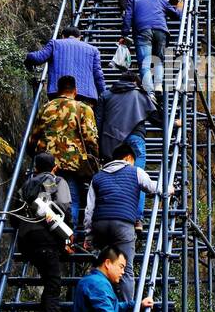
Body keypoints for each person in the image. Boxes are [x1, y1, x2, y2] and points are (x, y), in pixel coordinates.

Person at [84, 142, 166, 302]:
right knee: (125, 269)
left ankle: (97, 304)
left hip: (99, 225)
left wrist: (88, 235)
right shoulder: (135, 171)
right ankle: (127, 311)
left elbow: (89, 210)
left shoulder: (98, 177)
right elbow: (152, 187)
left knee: (101, 266)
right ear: (128, 158)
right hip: (123, 225)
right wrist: (169, 188)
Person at [13, 153, 73, 312]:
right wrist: (67, 236)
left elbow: (15, 214)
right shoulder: (58, 181)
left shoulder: (26, 185)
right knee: (53, 285)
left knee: (47, 278)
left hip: (27, 241)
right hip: (47, 238)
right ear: (54, 167)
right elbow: (65, 207)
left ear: (36, 168)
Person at [28, 74, 99, 232]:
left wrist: (34, 157)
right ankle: (68, 235)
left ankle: (48, 234)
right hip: (73, 164)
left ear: (58, 90)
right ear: (75, 91)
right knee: (70, 199)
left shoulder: (46, 108)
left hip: (47, 163)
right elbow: (91, 139)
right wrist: (94, 161)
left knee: (46, 199)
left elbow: (33, 138)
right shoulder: (83, 108)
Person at [95, 70, 160, 220]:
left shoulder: (105, 95)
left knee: (111, 177)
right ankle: (137, 218)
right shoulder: (139, 94)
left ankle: (109, 214)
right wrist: (174, 123)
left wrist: (99, 146)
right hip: (135, 138)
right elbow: (155, 116)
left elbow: (98, 122)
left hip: (111, 141)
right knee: (138, 176)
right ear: (135, 82)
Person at [121, 0, 182, 103]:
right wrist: (179, 7)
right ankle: (158, 85)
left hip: (142, 31)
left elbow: (128, 17)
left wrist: (124, 34)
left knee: (145, 64)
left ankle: (150, 92)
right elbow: (176, 15)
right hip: (161, 31)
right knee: (159, 60)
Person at [24, 25, 105, 106]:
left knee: (60, 117)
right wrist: (103, 94)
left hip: (59, 93)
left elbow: (37, 58)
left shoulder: (55, 44)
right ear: (80, 37)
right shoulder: (93, 50)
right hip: (86, 95)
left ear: (63, 36)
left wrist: (28, 59)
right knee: (84, 117)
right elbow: (98, 75)